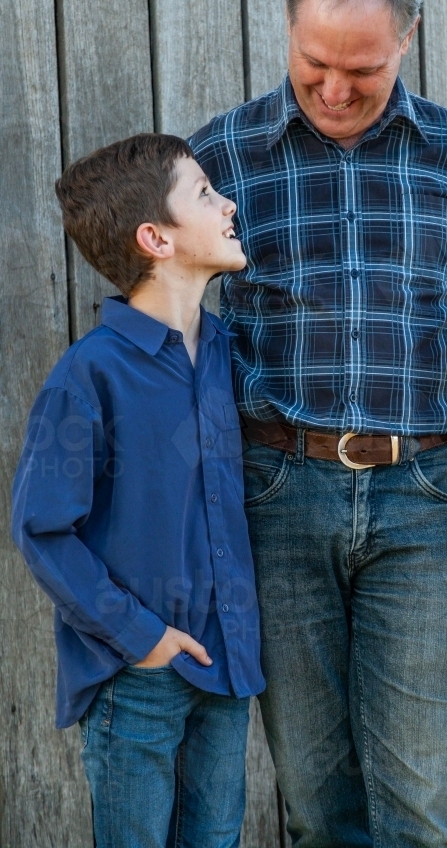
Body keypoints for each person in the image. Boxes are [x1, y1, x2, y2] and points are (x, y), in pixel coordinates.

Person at [189, 0, 447, 846]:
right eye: (313, 64)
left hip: (428, 500)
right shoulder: (219, 156)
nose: (335, 90)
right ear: (288, 29)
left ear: (409, 37)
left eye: (363, 69)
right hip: (275, 497)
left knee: (422, 809)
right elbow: (162, 317)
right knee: (315, 806)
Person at [12, 134, 264, 848]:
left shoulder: (223, 352)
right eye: (206, 194)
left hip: (226, 665)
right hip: (137, 675)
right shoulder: (91, 374)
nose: (229, 204)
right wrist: (141, 637)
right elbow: (42, 529)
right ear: (155, 238)